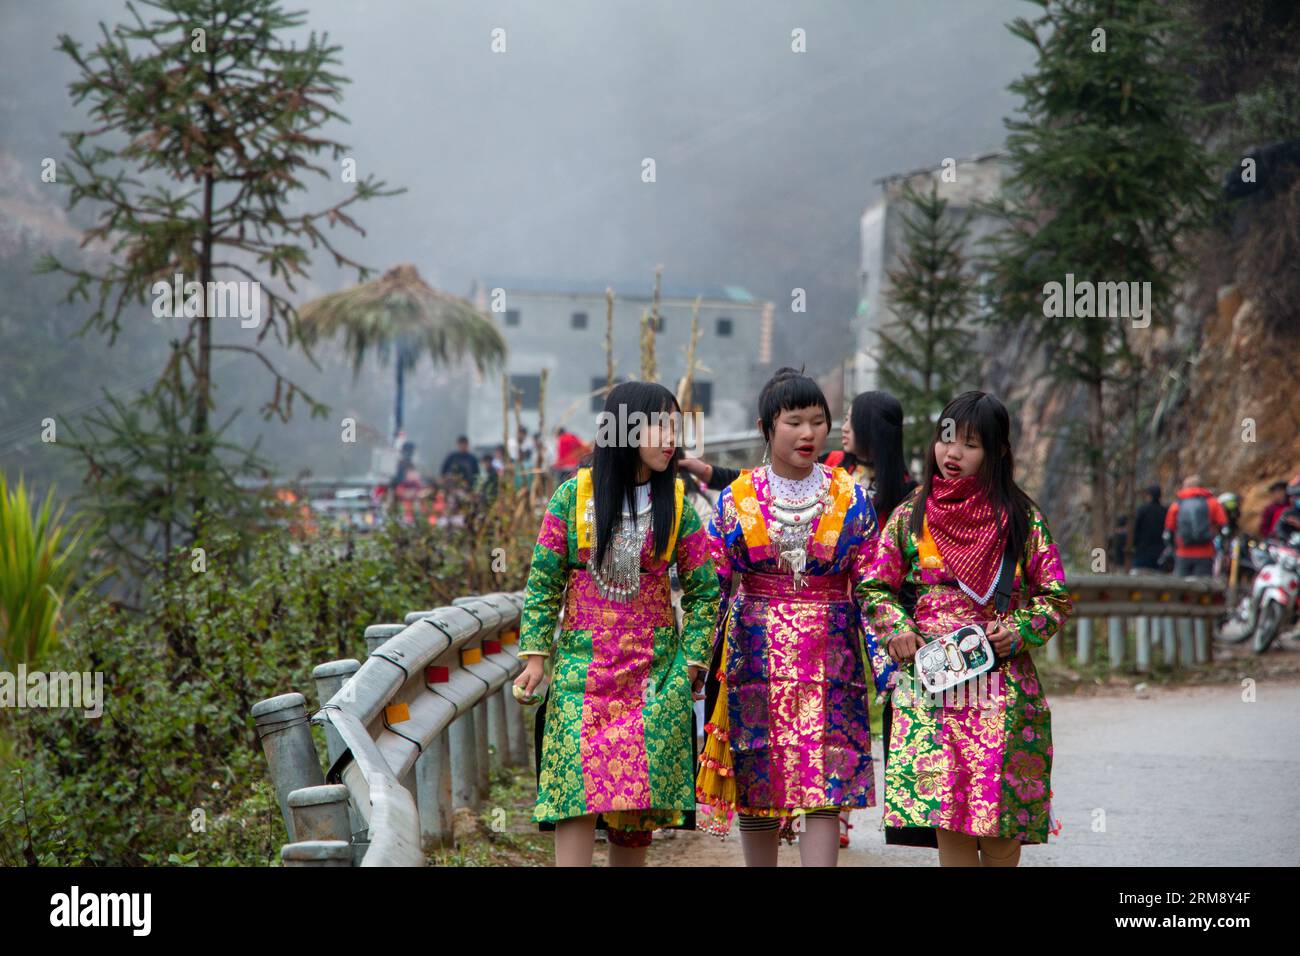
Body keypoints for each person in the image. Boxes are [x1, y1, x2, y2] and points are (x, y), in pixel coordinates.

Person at [860, 390, 1072, 867]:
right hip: (932, 683)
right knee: (947, 818)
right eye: (946, 439)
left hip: (1002, 685)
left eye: (970, 445)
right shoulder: (910, 515)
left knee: (999, 826)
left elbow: (1055, 598)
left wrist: (1017, 631)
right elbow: (875, 588)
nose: (952, 453)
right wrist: (897, 627)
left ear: (997, 452)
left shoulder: (1022, 519)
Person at [512, 381, 719, 866]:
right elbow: (544, 581)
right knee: (574, 796)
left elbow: (706, 591)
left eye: (677, 427)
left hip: (653, 674)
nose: (672, 439)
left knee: (635, 809)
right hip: (581, 675)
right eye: (660, 426)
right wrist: (536, 659)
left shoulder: (680, 507)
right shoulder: (570, 498)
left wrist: (690, 665)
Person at [695, 368, 891, 867]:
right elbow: (713, 586)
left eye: (818, 422)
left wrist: (890, 659)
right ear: (767, 428)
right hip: (753, 656)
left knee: (826, 781)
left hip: (833, 656)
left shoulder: (854, 498)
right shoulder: (735, 499)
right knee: (755, 773)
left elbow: (871, 584)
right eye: (795, 422)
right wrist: (696, 659)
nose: (809, 434)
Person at [1164, 475, 1227, 577]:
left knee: (1181, 588)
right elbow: (1224, 527)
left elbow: (1168, 531)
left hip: (1182, 553)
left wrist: (1173, 549)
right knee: (1202, 589)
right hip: (1206, 553)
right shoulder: (1213, 503)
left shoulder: (1176, 505)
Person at [1131, 485, 1166, 571]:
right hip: (1160, 550)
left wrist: (1134, 543)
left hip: (1142, 549)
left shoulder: (1142, 510)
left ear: (1149, 496)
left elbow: (1135, 528)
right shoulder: (1164, 511)